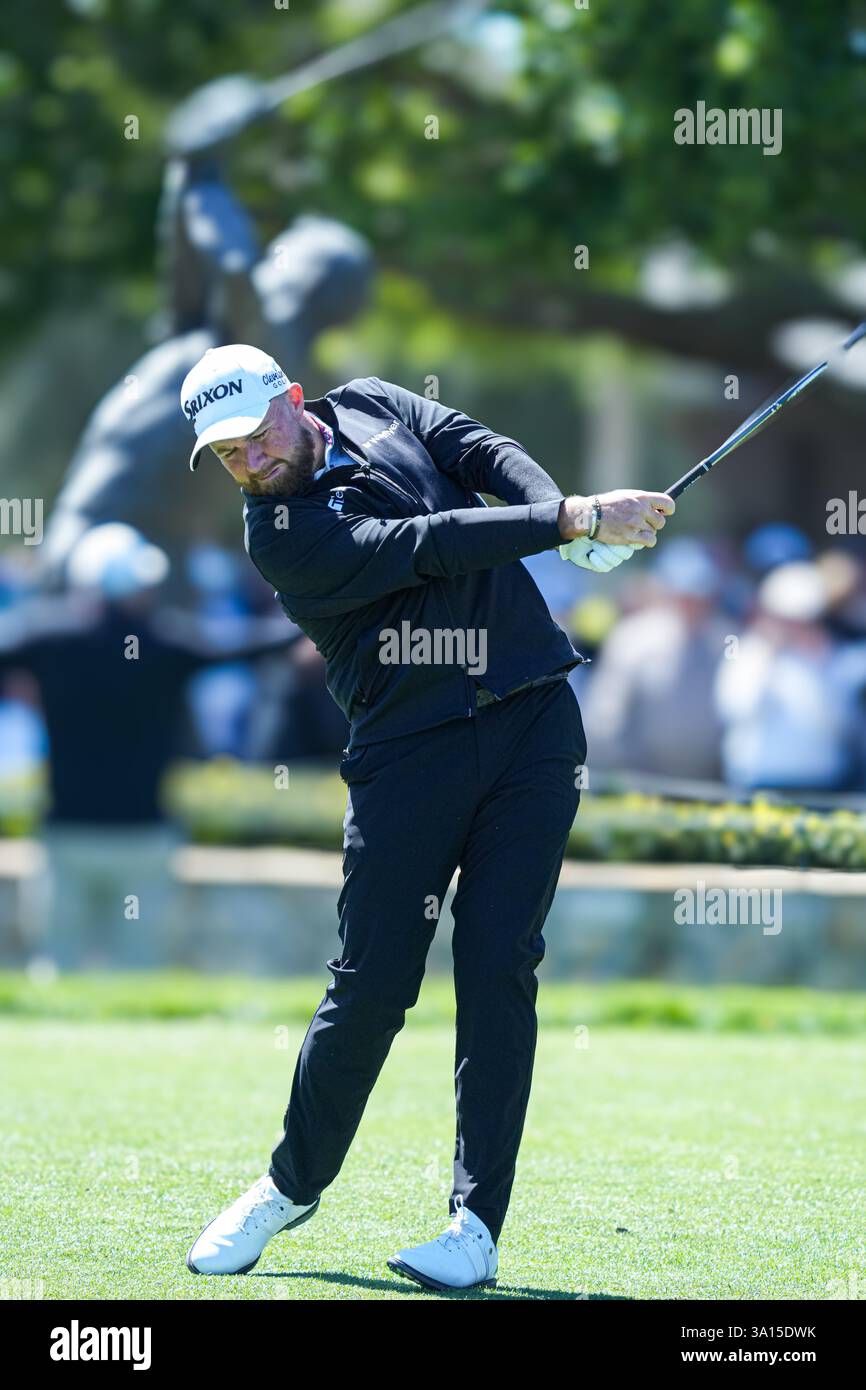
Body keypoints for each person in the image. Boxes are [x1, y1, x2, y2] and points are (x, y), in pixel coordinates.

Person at [180, 343, 674, 1290]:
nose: (248, 462)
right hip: (410, 756)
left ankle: (475, 1228)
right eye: (227, 455)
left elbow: (476, 447)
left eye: (255, 436)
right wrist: (566, 518)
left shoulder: (368, 400)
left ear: (292, 399)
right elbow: (426, 545)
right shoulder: (281, 538)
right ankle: (291, 1185)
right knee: (371, 985)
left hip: (534, 717)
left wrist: (567, 519)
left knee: (499, 964)